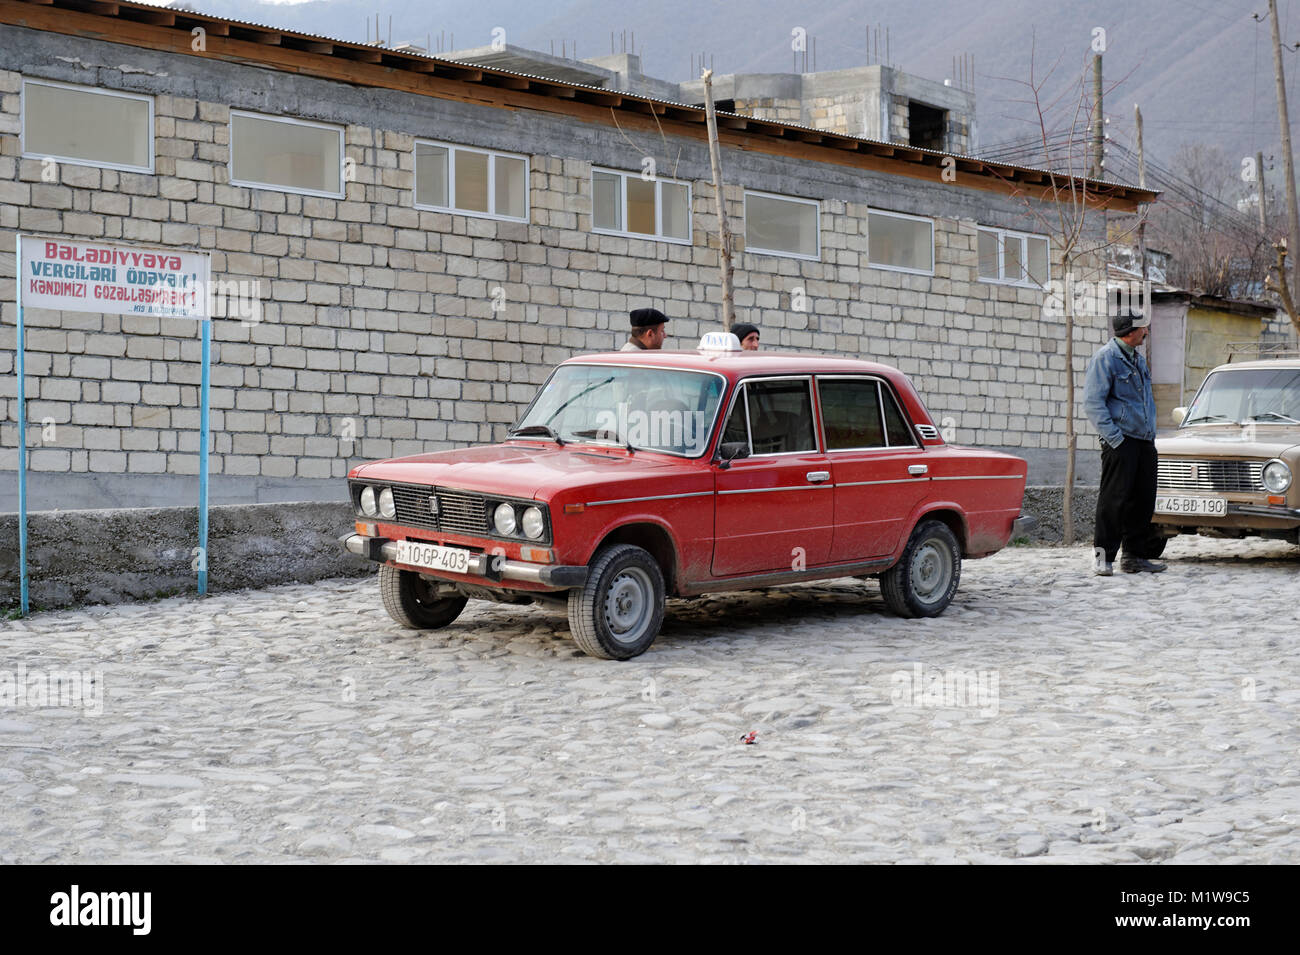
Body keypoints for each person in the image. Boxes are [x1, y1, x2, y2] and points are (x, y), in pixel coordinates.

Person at [1083, 306, 1166, 576]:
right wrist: (1115, 439)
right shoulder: (1105, 358)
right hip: (1121, 442)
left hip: (1143, 441)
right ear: (1130, 332)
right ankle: (1102, 557)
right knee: (1113, 501)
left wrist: (1150, 433)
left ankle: (1134, 557)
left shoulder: (1138, 359)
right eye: (1142, 327)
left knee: (1142, 500)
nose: (1146, 331)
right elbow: (1093, 404)